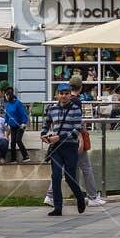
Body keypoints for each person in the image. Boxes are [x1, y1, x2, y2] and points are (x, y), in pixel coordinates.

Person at [40, 83, 88, 215]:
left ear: (70, 95)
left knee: (69, 177)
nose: (64, 96)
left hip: (70, 146)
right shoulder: (52, 109)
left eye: (66, 94)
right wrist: (43, 134)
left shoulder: (75, 109)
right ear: (57, 95)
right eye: (61, 94)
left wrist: (59, 137)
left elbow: (77, 130)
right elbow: (46, 123)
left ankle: (80, 197)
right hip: (56, 147)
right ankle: (58, 207)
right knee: (55, 176)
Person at [3, 88, 31, 161]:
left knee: (18, 140)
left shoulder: (18, 103)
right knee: (12, 142)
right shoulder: (7, 104)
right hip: (12, 126)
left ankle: (26, 156)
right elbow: (7, 115)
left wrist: (24, 122)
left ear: (9, 96)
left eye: (6, 96)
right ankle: (13, 159)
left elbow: (23, 113)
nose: (5, 97)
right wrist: (6, 122)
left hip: (20, 125)